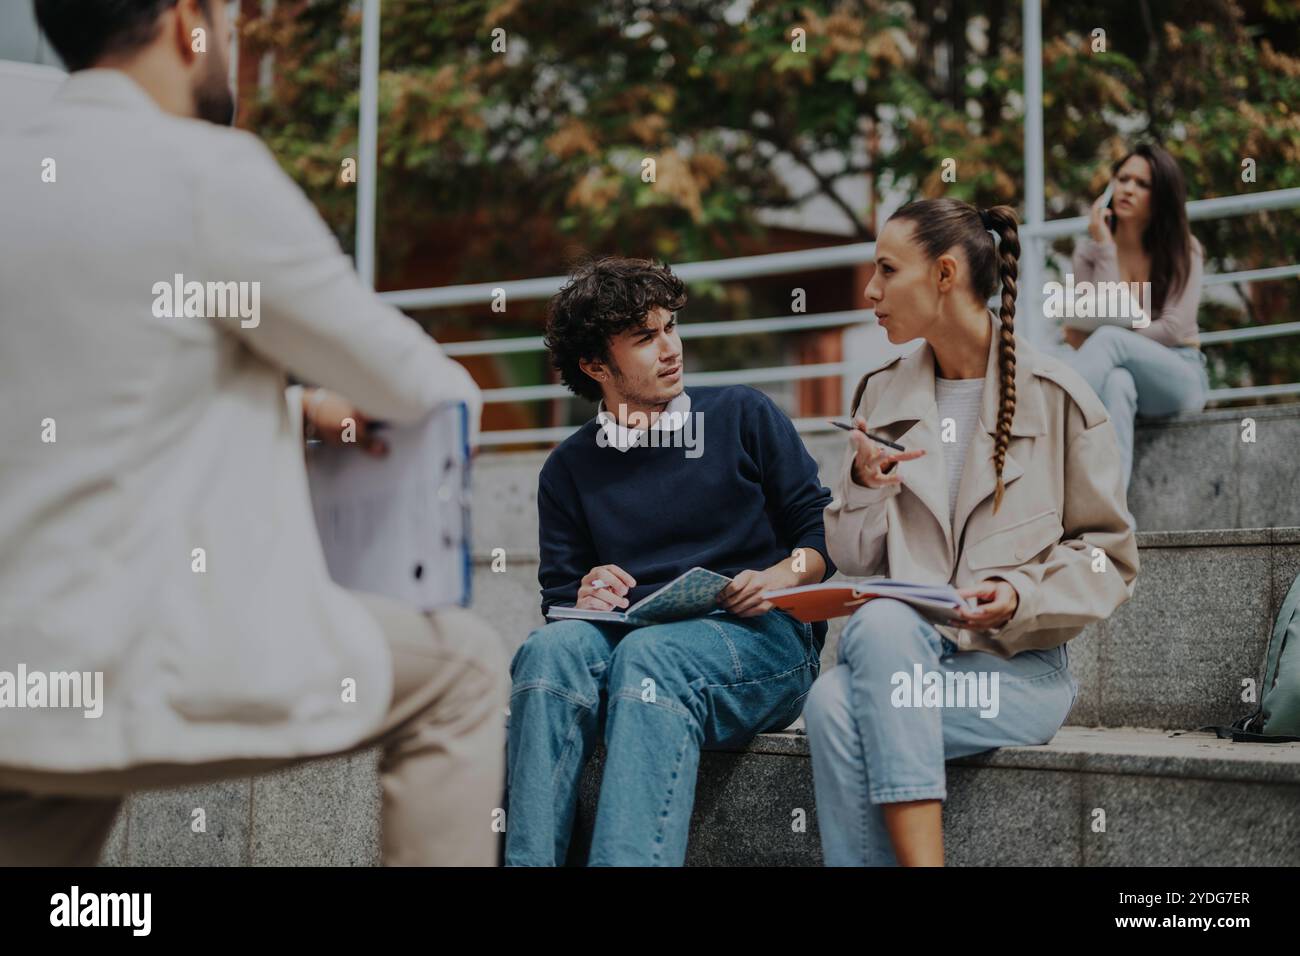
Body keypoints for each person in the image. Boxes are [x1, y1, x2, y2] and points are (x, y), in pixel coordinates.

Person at [0, 0, 507, 866]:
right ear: (188, 21)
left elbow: (97, 388)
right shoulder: (205, 173)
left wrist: (296, 407)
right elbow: (431, 392)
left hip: (27, 681)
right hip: (149, 662)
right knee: (462, 671)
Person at [803, 198, 1140, 866]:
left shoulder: (1060, 395)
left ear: (946, 275)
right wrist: (866, 489)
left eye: (887, 269)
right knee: (832, 699)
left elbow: (1110, 560)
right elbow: (848, 554)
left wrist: (1022, 594)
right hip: (907, 662)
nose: (870, 290)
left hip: (1012, 675)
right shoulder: (879, 396)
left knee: (860, 661)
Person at [504, 257, 835, 866]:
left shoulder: (742, 414)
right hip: (635, 640)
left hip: (763, 641)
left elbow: (819, 538)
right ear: (596, 366)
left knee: (649, 656)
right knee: (547, 654)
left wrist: (778, 576)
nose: (670, 349)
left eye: (670, 328)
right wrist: (589, 594)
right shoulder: (569, 469)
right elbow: (560, 599)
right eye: (645, 338)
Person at [1059, 143, 1210, 492]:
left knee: (1110, 341)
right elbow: (1086, 323)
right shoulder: (1089, 251)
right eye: (1122, 178)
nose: (1127, 188)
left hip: (1180, 376)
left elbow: (1173, 328)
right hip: (1118, 374)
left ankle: (1049, 416)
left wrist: (1118, 336)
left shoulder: (1184, 249)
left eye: (1142, 184)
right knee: (1117, 383)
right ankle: (1117, 516)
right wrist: (1107, 248)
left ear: (1162, 197)